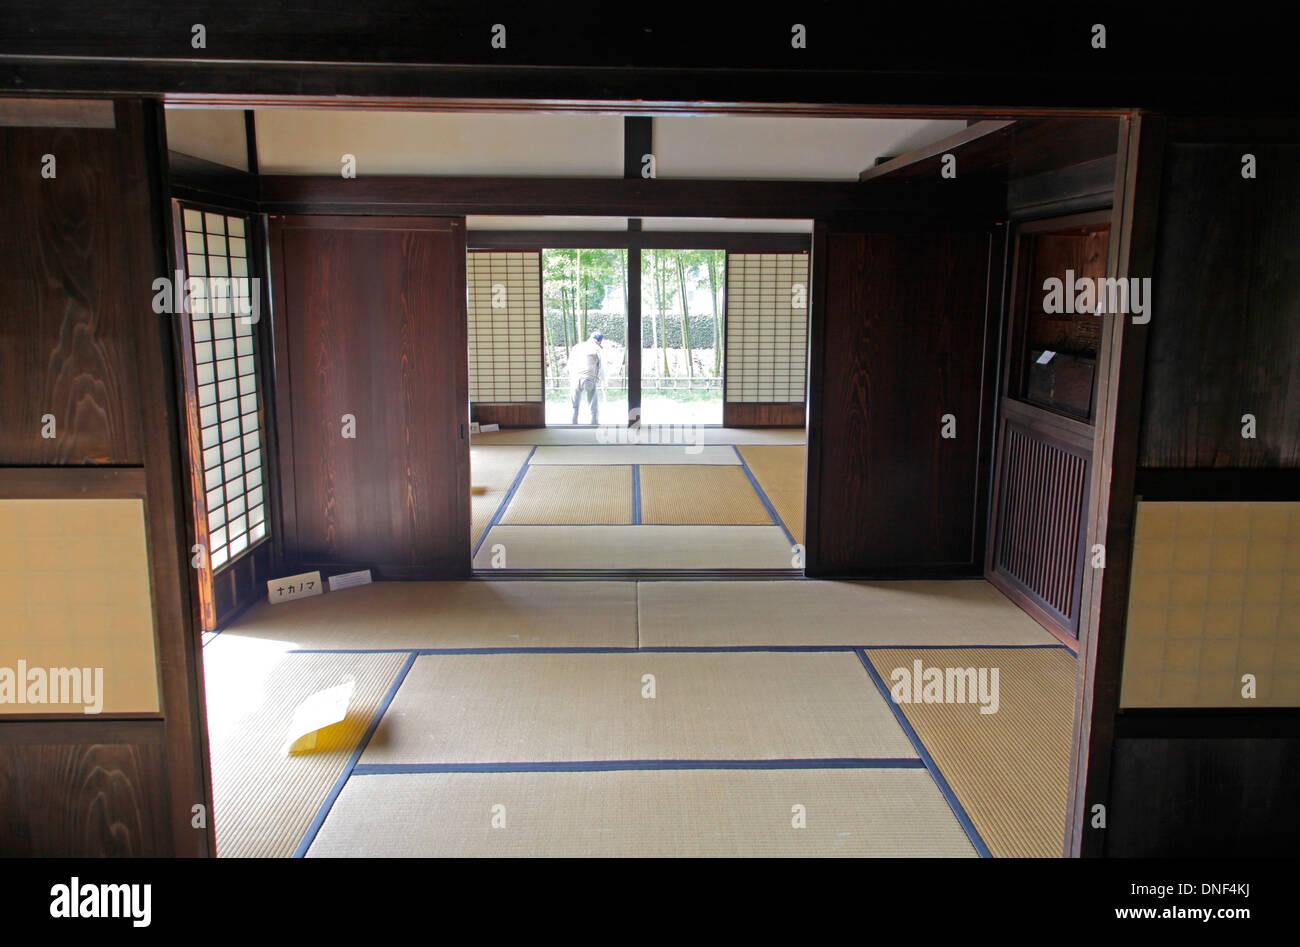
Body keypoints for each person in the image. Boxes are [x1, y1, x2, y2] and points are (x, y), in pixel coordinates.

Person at [568, 331, 605, 424]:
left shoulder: (577, 346)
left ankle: (573, 424)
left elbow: (569, 364)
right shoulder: (597, 349)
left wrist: (571, 377)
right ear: (600, 341)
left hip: (575, 379)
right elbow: (602, 367)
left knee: (574, 406)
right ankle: (594, 424)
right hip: (589, 379)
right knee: (593, 405)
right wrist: (604, 383)